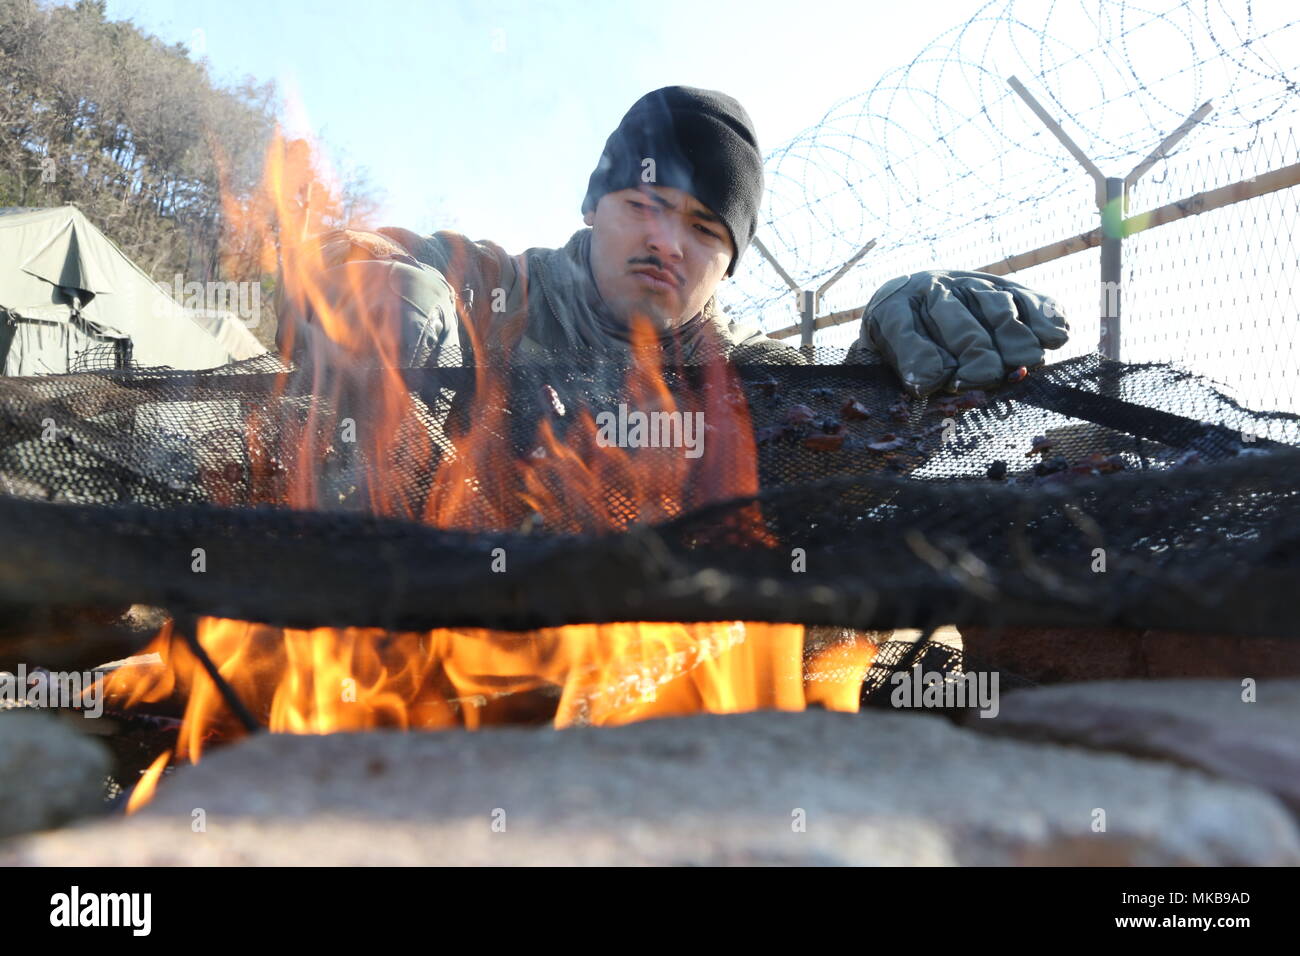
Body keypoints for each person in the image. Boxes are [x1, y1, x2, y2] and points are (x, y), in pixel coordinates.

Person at [279, 85, 1069, 397]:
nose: (667, 240)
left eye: (704, 228)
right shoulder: (494, 285)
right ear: (594, 205)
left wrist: (898, 339)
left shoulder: (750, 374)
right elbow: (362, 256)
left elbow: (845, 450)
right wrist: (386, 290)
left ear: (729, 263)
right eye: (645, 203)